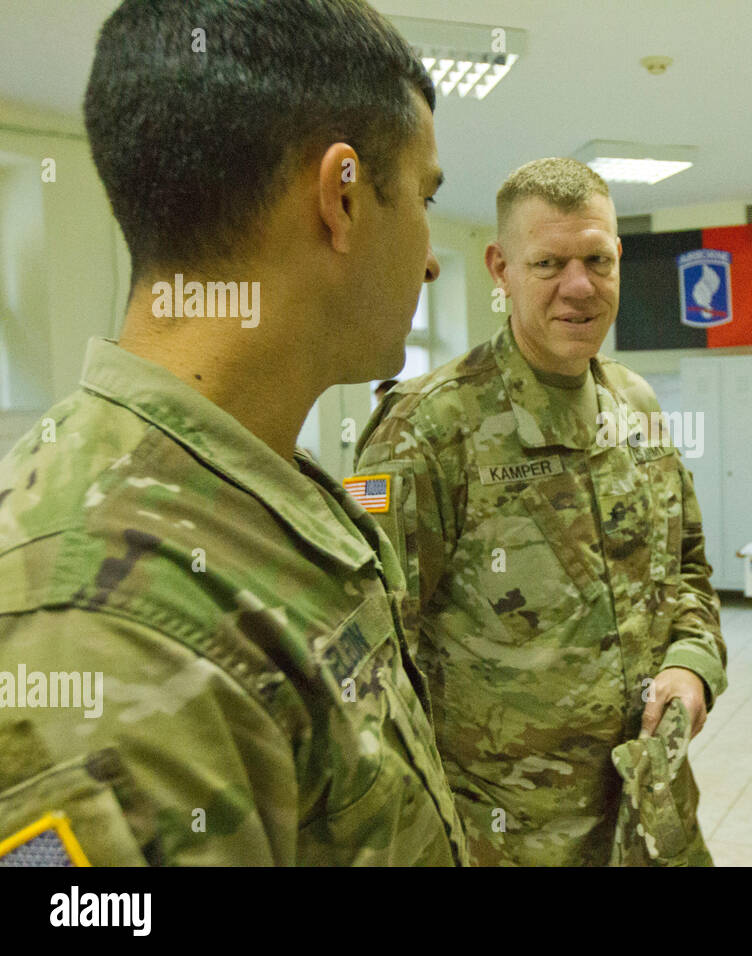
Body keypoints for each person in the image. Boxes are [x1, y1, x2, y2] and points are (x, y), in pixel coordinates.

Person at [0, 0, 468, 865]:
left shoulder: (257, 487)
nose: (432, 256)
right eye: (426, 196)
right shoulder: (102, 628)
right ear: (343, 197)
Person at [352, 158, 726, 865]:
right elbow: (369, 666)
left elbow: (687, 571)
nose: (579, 287)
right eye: (549, 263)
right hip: (503, 841)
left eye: (597, 260)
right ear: (501, 269)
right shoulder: (428, 429)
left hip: (652, 819)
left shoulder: (636, 405)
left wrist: (692, 665)